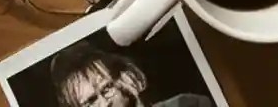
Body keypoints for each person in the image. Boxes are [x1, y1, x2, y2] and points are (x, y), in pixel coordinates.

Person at [51, 41, 213, 107]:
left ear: (127, 77)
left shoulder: (188, 105)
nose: (104, 103)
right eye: (90, 102)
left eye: (107, 88)